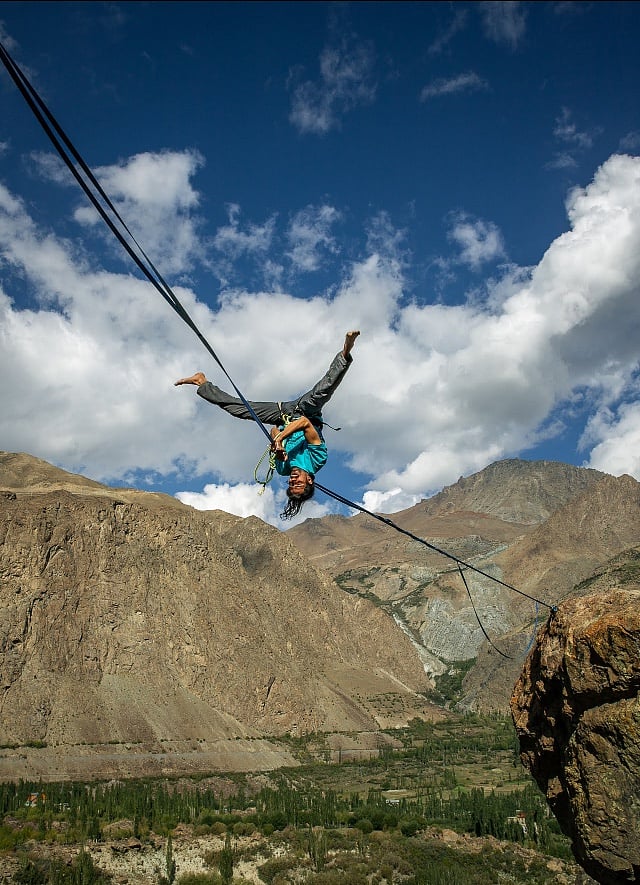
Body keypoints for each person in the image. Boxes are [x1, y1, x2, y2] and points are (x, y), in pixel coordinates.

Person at [175, 331, 360, 519]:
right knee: (323, 392)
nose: (293, 480)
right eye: (298, 483)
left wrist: (277, 445)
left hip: (281, 414)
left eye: (291, 484)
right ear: (310, 480)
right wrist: (280, 439)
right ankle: (346, 351)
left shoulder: (283, 468)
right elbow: (304, 423)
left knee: (240, 410)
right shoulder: (317, 460)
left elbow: (274, 430)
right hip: (306, 411)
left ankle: (201, 382)